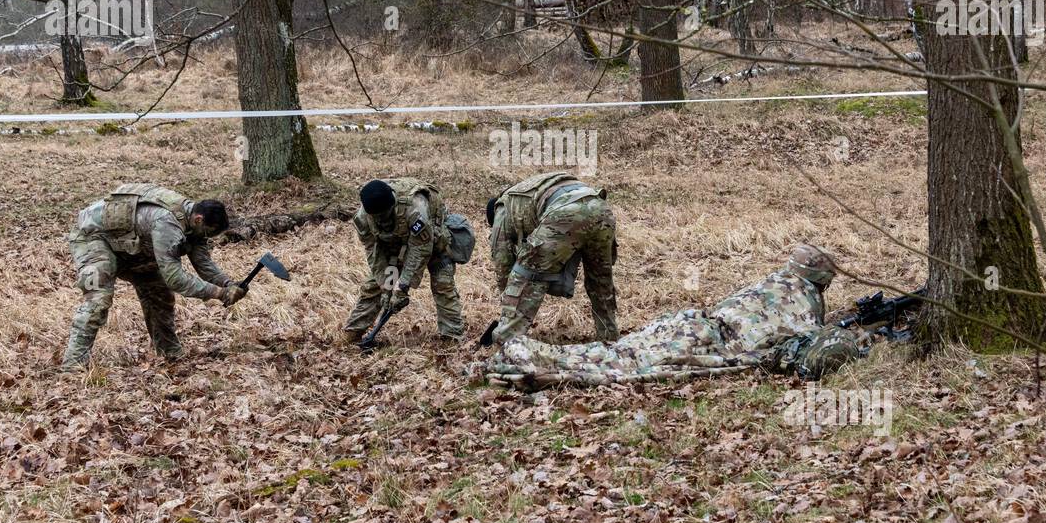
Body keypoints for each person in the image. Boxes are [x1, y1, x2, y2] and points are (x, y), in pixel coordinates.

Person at [481, 244, 861, 389]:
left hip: (690, 321)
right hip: (709, 342)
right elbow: (795, 350)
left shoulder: (771, 280)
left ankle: (525, 349)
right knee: (626, 364)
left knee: (620, 351)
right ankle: (530, 360)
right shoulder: (806, 303)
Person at [63, 184, 244, 370]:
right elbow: (175, 279)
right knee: (98, 300)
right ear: (199, 219)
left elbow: (203, 264)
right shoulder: (167, 222)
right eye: (209, 232)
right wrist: (219, 293)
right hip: (94, 238)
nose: (208, 237)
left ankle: (169, 353)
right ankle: (72, 365)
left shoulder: (193, 224)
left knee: (159, 294)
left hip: (133, 246)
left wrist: (228, 284)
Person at [486, 171, 618, 345]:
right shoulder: (531, 190)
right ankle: (610, 338)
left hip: (565, 211)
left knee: (525, 275)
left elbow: (502, 262)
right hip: (600, 207)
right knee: (600, 281)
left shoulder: (501, 208)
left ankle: (507, 343)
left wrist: (508, 304)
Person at [343, 178, 464, 343]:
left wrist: (402, 287)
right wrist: (385, 285)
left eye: (384, 216)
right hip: (394, 243)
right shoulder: (362, 218)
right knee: (374, 288)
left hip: (432, 237)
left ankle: (452, 336)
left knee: (443, 283)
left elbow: (420, 249)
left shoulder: (414, 209)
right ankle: (353, 334)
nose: (381, 222)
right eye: (377, 218)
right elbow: (373, 251)